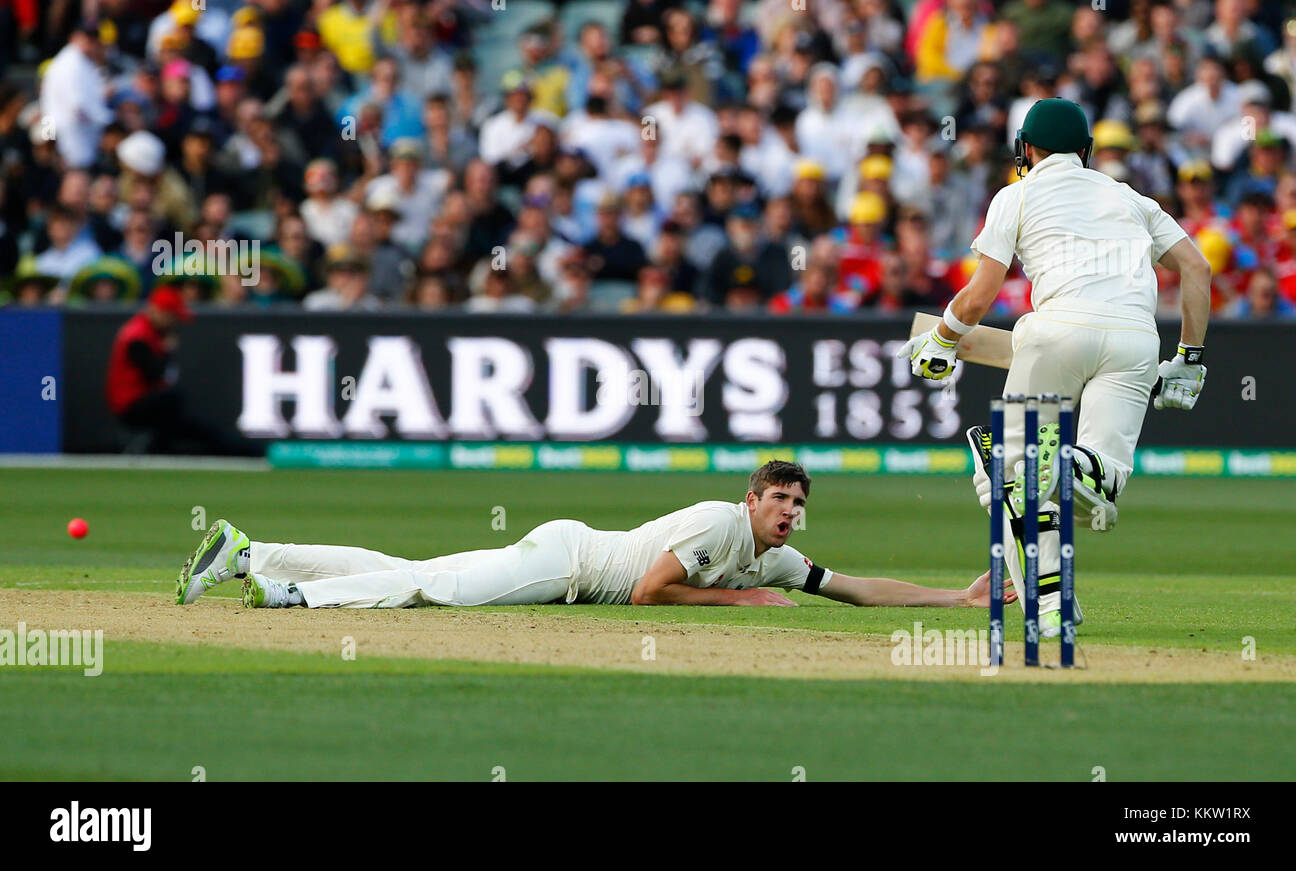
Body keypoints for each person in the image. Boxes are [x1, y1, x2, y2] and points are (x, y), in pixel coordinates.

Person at [898, 98, 1211, 637]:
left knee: (1012, 477)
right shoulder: (1131, 197)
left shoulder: (1015, 196)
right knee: (1102, 483)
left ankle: (1049, 597)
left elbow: (978, 297)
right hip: (1136, 341)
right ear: (1086, 151)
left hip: (1054, 335)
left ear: (1025, 149)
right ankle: (1076, 472)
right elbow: (1197, 268)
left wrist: (943, 339)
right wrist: (1189, 360)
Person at [175, 460, 1013, 610]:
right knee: (431, 587)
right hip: (568, 561)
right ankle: (292, 594)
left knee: (411, 567)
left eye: (798, 504)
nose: (790, 514)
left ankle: (249, 553)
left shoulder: (780, 554)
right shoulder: (725, 524)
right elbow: (650, 590)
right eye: (780, 500)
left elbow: (854, 585)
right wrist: (742, 598)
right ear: (752, 498)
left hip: (565, 554)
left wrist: (954, 592)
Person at [105, 285, 258, 455]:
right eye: (172, 317)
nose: (175, 322)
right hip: (131, 406)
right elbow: (154, 374)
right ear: (160, 312)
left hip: (142, 402)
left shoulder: (144, 332)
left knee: (194, 428)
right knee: (173, 401)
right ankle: (155, 448)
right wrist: (166, 352)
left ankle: (238, 449)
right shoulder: (137, 337)